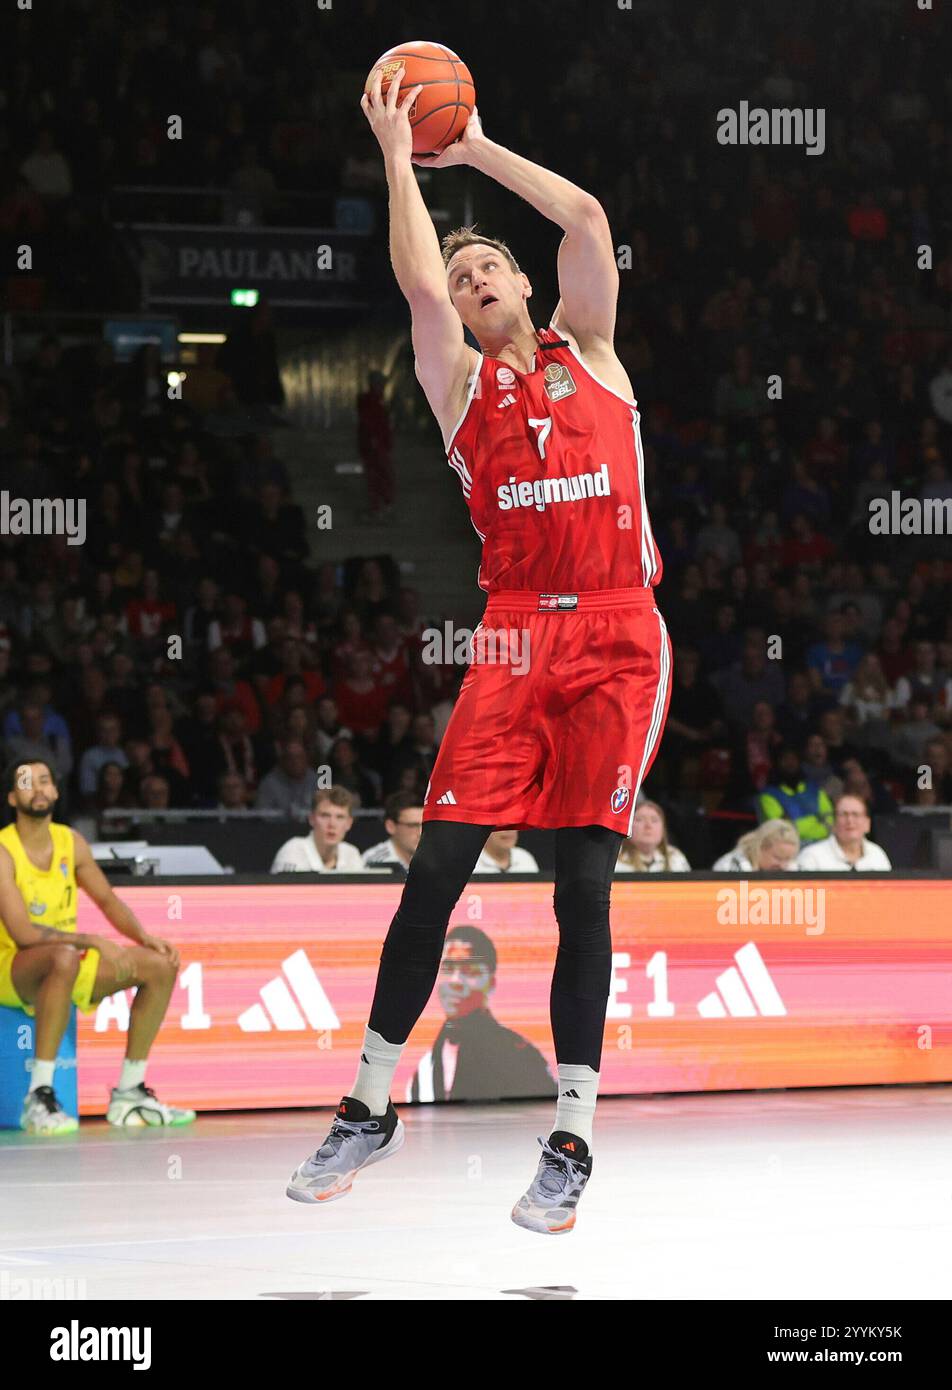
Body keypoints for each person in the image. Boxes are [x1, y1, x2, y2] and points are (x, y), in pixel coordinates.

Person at [287, 68, 671, 1236]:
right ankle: (366, 1102)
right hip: (512, 635)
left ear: (522, 281)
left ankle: (570, 1135)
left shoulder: (594, 350)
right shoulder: (455, 388)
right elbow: (412, 276)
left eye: (485, 265)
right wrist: (401, 158)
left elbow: (590, 222)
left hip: (613, 632)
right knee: (436, 868)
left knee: (584, 889)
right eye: (460, 275)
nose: (469, 277)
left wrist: (480, 147)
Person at [0, 758, 194, 1133]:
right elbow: (22, 934)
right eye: (27, 782)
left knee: (159, 964)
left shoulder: (70, 841)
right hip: (11, 967)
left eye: (45, 780)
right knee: (63, 956)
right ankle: (38, 1097)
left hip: (66, 961)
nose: (38, 788)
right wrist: (90, 939)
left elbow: (107, 900)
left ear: (56, 791)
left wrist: (143, 938)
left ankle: (129, 1093)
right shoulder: (3, 850)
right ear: (12, 796)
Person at [270, 786, 364, 872]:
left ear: (349, 823)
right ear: (312, 819)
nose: (332, 824)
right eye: (325, 816)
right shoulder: (293, 851)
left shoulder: (351, 854)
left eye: (340, 817)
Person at [796, 793, 892, 870]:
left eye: (855, 814)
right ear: (833, 823)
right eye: (843, 814)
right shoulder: (811, 856)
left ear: (867, 824)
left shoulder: (877, 854)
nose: (850, 820)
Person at [614, 800, 690, 872]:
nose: (648, 826)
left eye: (654, 820)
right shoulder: (614, 859)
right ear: (628, 826)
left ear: (663, 829)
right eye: (639, 819)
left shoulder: (676, 858)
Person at [360, 792, 424, 875]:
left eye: (424, 825)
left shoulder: (435, 859)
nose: (420, 832)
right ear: (391, 827)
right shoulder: (374, 862)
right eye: (412, 825)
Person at [712, 818, 800, 871]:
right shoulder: (731, 866)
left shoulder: (792, 867)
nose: (783, 866)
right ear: (759, 848)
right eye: (778, 858)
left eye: (787, 859)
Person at [472, 829, 540, 873]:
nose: (508, 830)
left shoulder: (524, 858)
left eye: (513, 824)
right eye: (502, 825)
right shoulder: (472, 862)